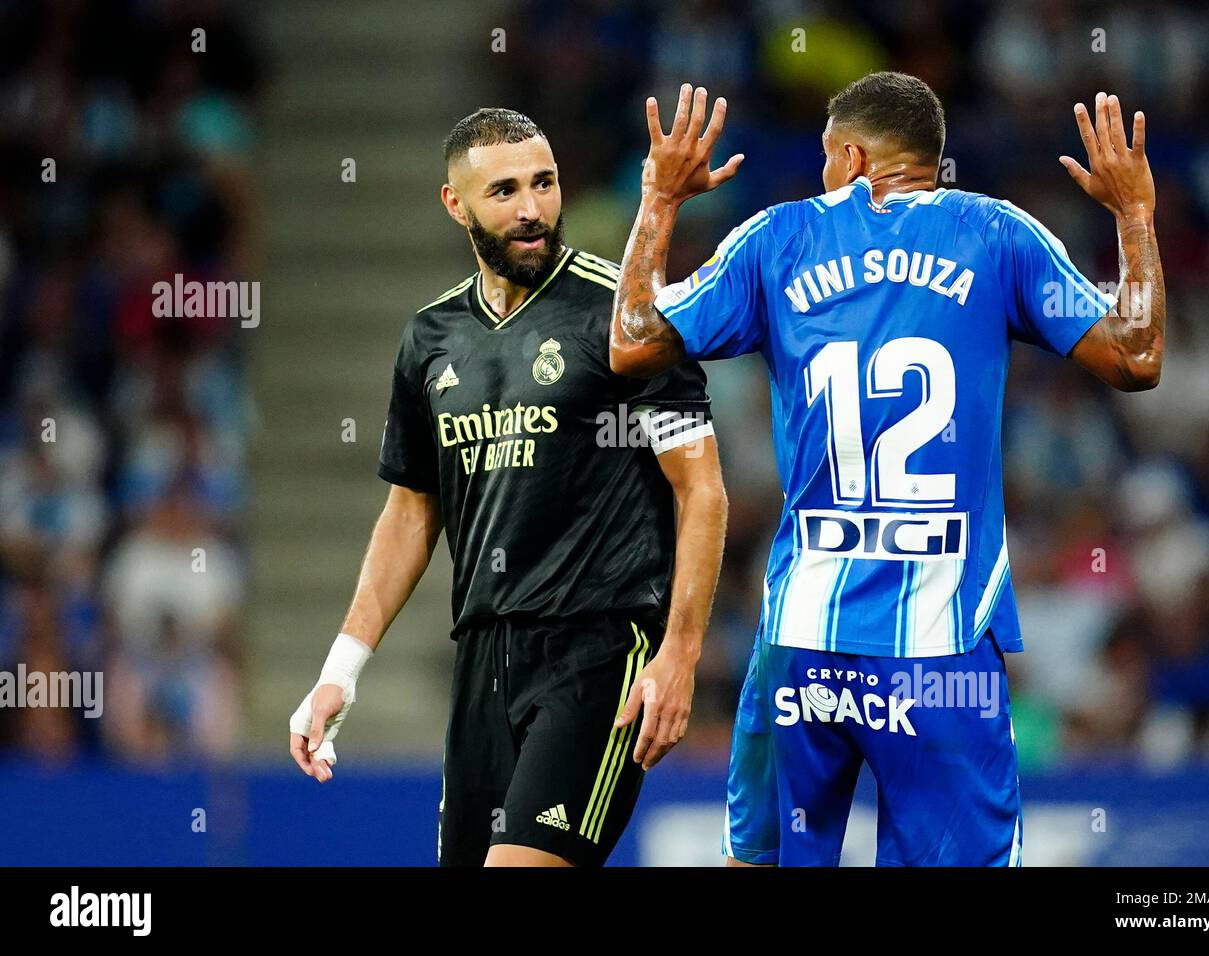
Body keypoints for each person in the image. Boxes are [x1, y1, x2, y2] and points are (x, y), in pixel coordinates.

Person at [610, 73, 1163, 865]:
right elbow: (1137, 356)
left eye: (828, 160)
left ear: (852, 156)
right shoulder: (996, 233)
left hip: (799, 643)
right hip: (940, 660)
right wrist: (1134, 215)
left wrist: (660, 200)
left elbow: (631, 342)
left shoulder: (778, 238)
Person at [290, 108, 727, 867]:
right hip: (484, 656)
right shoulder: (429, 338)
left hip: (601, 649)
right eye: (504, 192)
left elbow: (703, 490)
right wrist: (339, 672)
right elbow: (409, 510)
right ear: (455, 205)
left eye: (544, 184)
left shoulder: (623, 317)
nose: (531, 210)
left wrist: (680, 653)